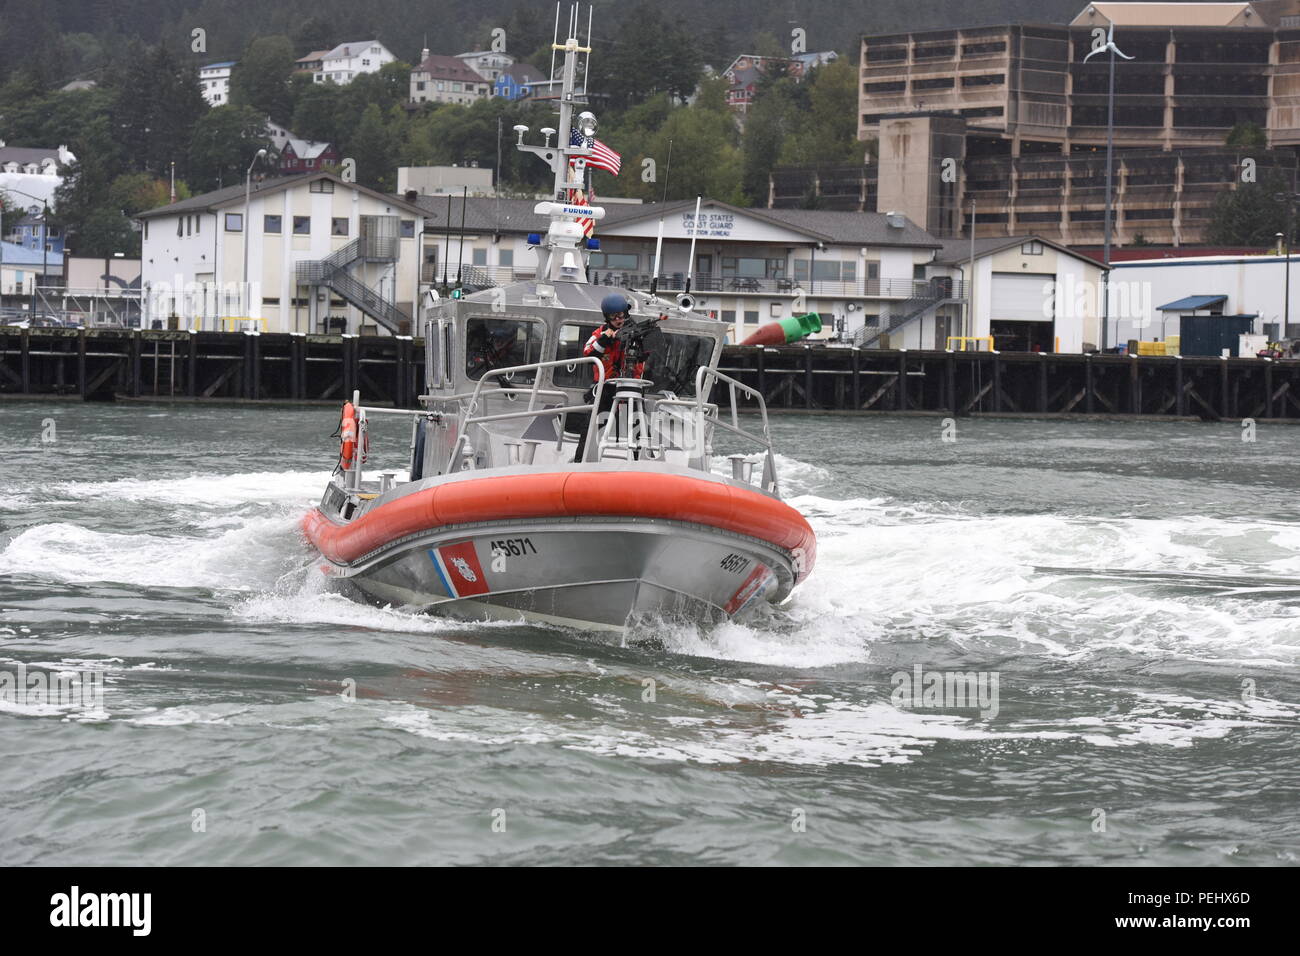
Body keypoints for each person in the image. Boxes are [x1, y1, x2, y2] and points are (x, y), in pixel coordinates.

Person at [569, 294, 642, 461]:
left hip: (631, 385)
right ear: (607, 317)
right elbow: (588, 353)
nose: (618, 319)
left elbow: (648, 354)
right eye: (613, 316)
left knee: (638, 425)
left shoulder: (637, 333)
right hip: (606, 387)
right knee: (591, 425)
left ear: (626, 313)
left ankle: (643, 462)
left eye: (620, 315)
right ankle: (581, 460)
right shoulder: (601, 333)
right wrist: (606, 339)